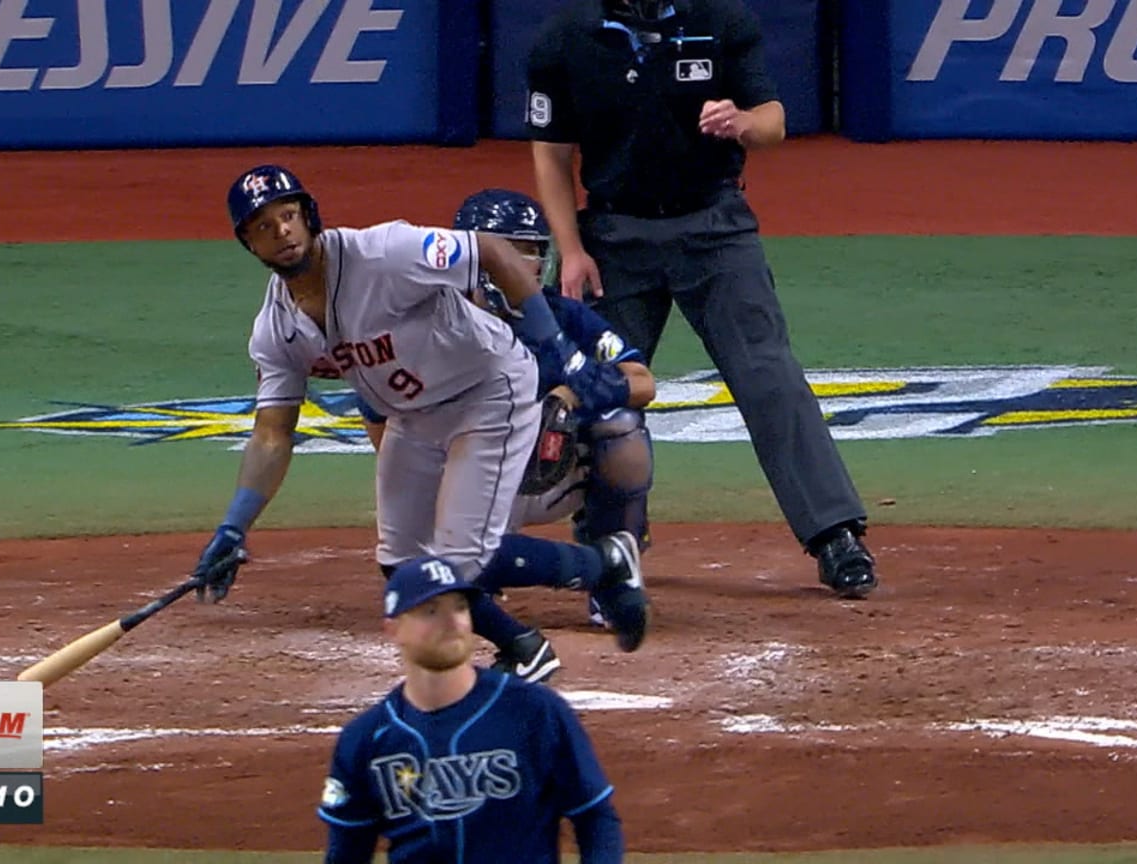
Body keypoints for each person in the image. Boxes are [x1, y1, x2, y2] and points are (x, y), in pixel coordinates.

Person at [190, 165, 650, 686]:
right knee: (402, 563)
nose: (283, 233)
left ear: (308, 216)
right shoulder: (276, 328)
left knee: (461, 561)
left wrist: (560, 352)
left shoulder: (384, 252)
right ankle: (523, 644)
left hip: (488, 392)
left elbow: (493, 253)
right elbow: (273, 433)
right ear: (248, 243)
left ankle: (604, 563)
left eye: (288, 216)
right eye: (264, 227)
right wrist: (234, 526)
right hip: (417, 415)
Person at [526, 0, 879, 598]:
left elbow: (773, 121)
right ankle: (610, 537)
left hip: (715, 230)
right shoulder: (565, 38)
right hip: (614, 237)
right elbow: (552, 152)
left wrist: (741, 121)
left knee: (769, 377)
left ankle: (834, 534)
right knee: (600, 388)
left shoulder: (720, 19)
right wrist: (571, 250)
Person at [358, 189, 658, 635]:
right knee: (447, 569)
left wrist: (574, 394)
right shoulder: (427, 320)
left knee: (622, 430)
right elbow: (378, 414)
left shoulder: (562, 315)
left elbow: (642, 381)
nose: (531, 266)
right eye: (519, 252)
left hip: (549, 471)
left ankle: (613, 568)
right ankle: (486, 573)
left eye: (536, 252)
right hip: (462, 481)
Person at [318, 555, 625, 863]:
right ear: (393, 629)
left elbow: (595, 817)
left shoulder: (534, 712)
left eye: (461, 607)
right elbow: (346, 852)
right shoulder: (366, 739)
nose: (452, 621)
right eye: (430, 611)